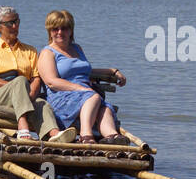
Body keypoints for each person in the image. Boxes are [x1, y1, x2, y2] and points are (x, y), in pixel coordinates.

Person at [0, 6, 77, 143]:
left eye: (17, 21)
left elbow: (36, 78)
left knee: (41, 103)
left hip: (26, 96)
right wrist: (17, 89)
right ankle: (23, 126)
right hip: (0, 98)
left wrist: (28, 94)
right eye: (10, 23)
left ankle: (54, 134)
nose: (15, 26)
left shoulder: (30, 50)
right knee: (20, 81)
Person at [38, 9, 130, 144]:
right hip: (62, 96)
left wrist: (112, 71)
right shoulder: (48, 52)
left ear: (71, 30)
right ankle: (86, 136)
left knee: (105, 108)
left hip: (85, 95)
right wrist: (80, 88)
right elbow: (51, 82)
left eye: (64, 28)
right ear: (49, 31)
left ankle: (112, 137)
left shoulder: (77, 48)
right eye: (55, 29)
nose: (59, 32)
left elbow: (85, 70)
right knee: (94, 97)